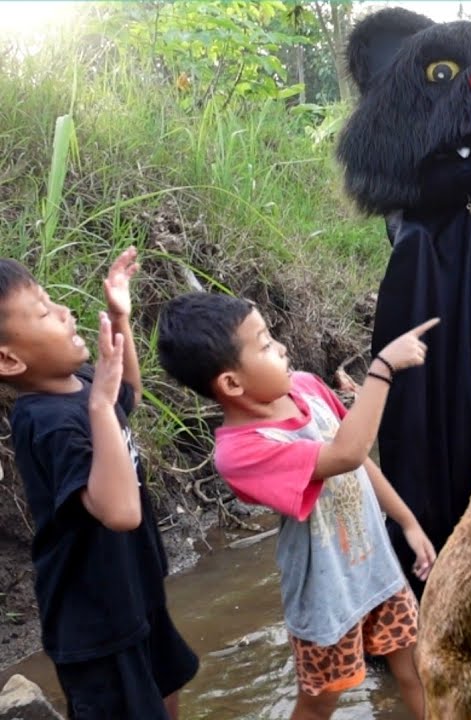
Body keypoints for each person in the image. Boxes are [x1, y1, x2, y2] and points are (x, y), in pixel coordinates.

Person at [155, 291, 439, 720]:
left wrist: (407, 522)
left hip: (377, 572)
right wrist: (381, 369)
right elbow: (346, 452)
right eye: (265, 344)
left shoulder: (306, 386)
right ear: (232, 384)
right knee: (321, 702)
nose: (282, 348)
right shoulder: (243, 452)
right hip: (325, 597)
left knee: (417, 669)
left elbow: (360, 461)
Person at [1, 248, 199, 719]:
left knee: (164, 690)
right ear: (9, 360)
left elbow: (127, 394)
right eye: (44, 312)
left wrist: (119, 316)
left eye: (53, 301)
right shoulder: (45, 423)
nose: (66, 312)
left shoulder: (82, 385)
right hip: (95, 622)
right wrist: (99, 405)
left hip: (135, 590)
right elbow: (120, 512)